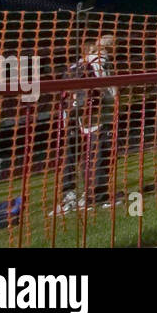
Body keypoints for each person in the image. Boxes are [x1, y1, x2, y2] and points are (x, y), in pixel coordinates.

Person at [55, 37, 118, 213]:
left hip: (75, 115)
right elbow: (109, 91)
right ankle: (96, 195)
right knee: (98, 153)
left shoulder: (77, 65)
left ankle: (73, 194)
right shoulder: (101, 62)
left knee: (77, 155)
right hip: (98, 114)